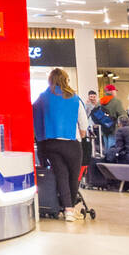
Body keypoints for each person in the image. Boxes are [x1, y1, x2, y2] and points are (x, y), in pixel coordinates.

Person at [33, 68, 83, 222]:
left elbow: (34, 117)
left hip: (50, 144)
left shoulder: (42, 98)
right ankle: (72, 210)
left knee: (61, 175)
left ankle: (67, 210)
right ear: (66, 79)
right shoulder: (74, 98)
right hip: (71, 144)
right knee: (73, 177)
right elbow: (83, 124)